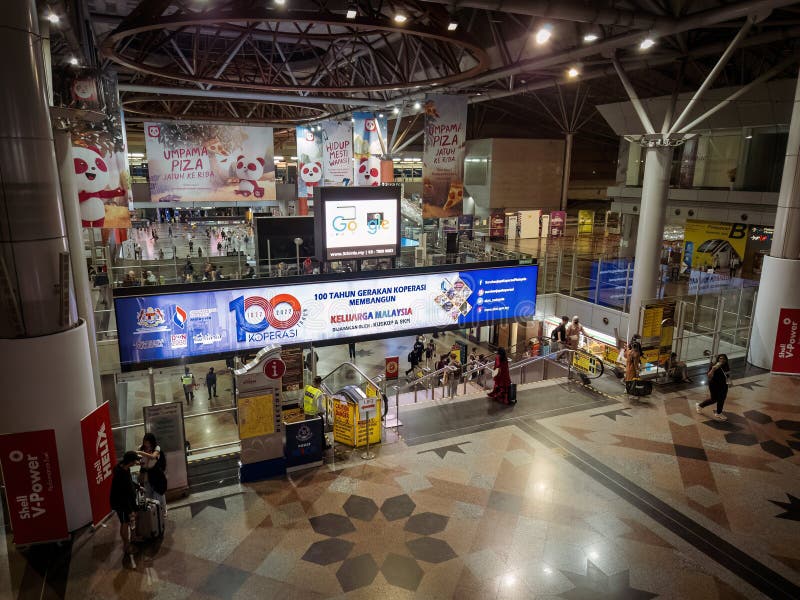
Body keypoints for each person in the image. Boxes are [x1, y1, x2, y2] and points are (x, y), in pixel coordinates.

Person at [109, 451, 140, 557]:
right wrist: (130, 509)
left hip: (128, 501)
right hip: (121, 503)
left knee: (131, 519)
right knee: (124, 523)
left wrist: (138, 487)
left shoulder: (126, 469)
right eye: (135, 460)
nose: (136, 462)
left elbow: (130, 482)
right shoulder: (119, 474)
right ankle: (126, 547)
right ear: (130, 461)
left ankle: (133, 538)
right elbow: (122, 495)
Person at [137, 433, 167, 517]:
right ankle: (153, 516)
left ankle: (162, 513)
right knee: (148, 498)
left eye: (148, 443)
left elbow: (153, 457)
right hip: (145, 476)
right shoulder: (140, 448)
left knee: (158, 496)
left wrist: (141, 453)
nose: (147, 445)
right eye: (145, 443)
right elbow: (139, 461)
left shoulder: (156, 448)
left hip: (156, 476)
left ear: (152, 442)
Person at [696, 354, 730, 421]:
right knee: (714, 399)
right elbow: (709, 376)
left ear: (726, 360)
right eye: (720, 358)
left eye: (724, 359)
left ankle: (719, 413)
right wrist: (713, 369)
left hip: (723, 384)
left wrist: (729, 382)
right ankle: (700, 405)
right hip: (714, 385)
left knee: (722, 398)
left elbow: (728, 375)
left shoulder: (726, 366)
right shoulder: (713, 365)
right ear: (718, 359)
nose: (722, 360)